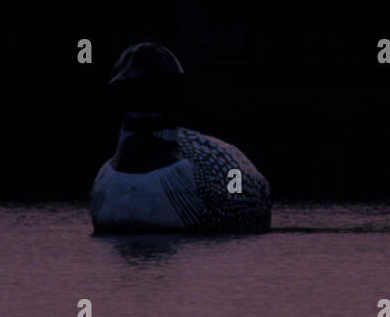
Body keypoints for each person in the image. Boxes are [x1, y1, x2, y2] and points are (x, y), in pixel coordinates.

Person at [89, 42, 271, 233]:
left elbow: (253, 191)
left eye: (149, 88)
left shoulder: (105, 187)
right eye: (137, 88)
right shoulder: (106, 180)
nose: (144, 93)